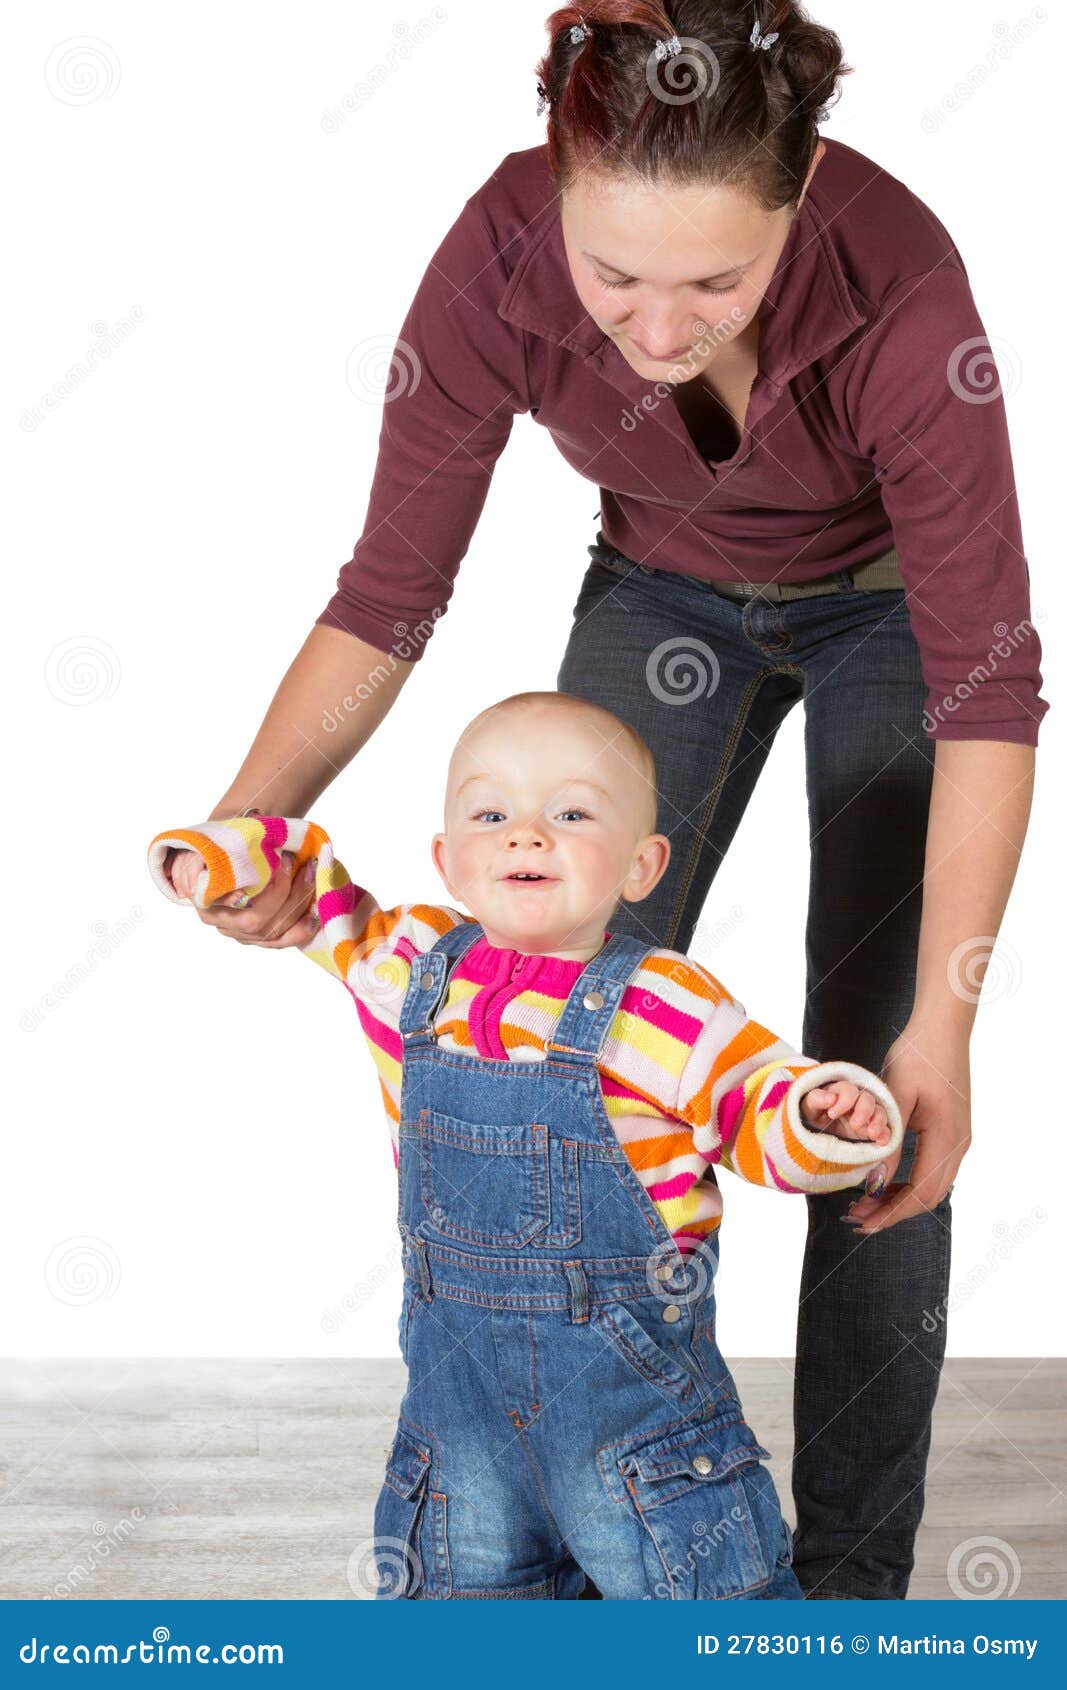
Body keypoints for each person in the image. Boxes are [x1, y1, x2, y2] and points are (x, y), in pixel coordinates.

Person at [167, 2, 1045, 1598]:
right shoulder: (492, 250)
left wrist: (947, 1022)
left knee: (870, 1093)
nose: (658, 327)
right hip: (661, 592)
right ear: (553, 210)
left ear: (798, 202)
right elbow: (387, 590)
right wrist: (253, 833)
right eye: (611, 279)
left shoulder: (905, 289)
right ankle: (576, 1537)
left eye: (716, 281)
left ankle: (839, 1596)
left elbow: (989, 688)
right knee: (557, 994)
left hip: (889, 616)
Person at [149, 692, 904, 1600]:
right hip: (461, 1437)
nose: (526, 836)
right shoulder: (408, 964)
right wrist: (219, 855)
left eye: (571, 814)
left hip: (636, 1433)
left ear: (641, 865)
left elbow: (756, 1106)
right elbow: (307, 892)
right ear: (446, 859)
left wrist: (824, 1114)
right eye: (490, 814)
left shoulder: (664, 1001)